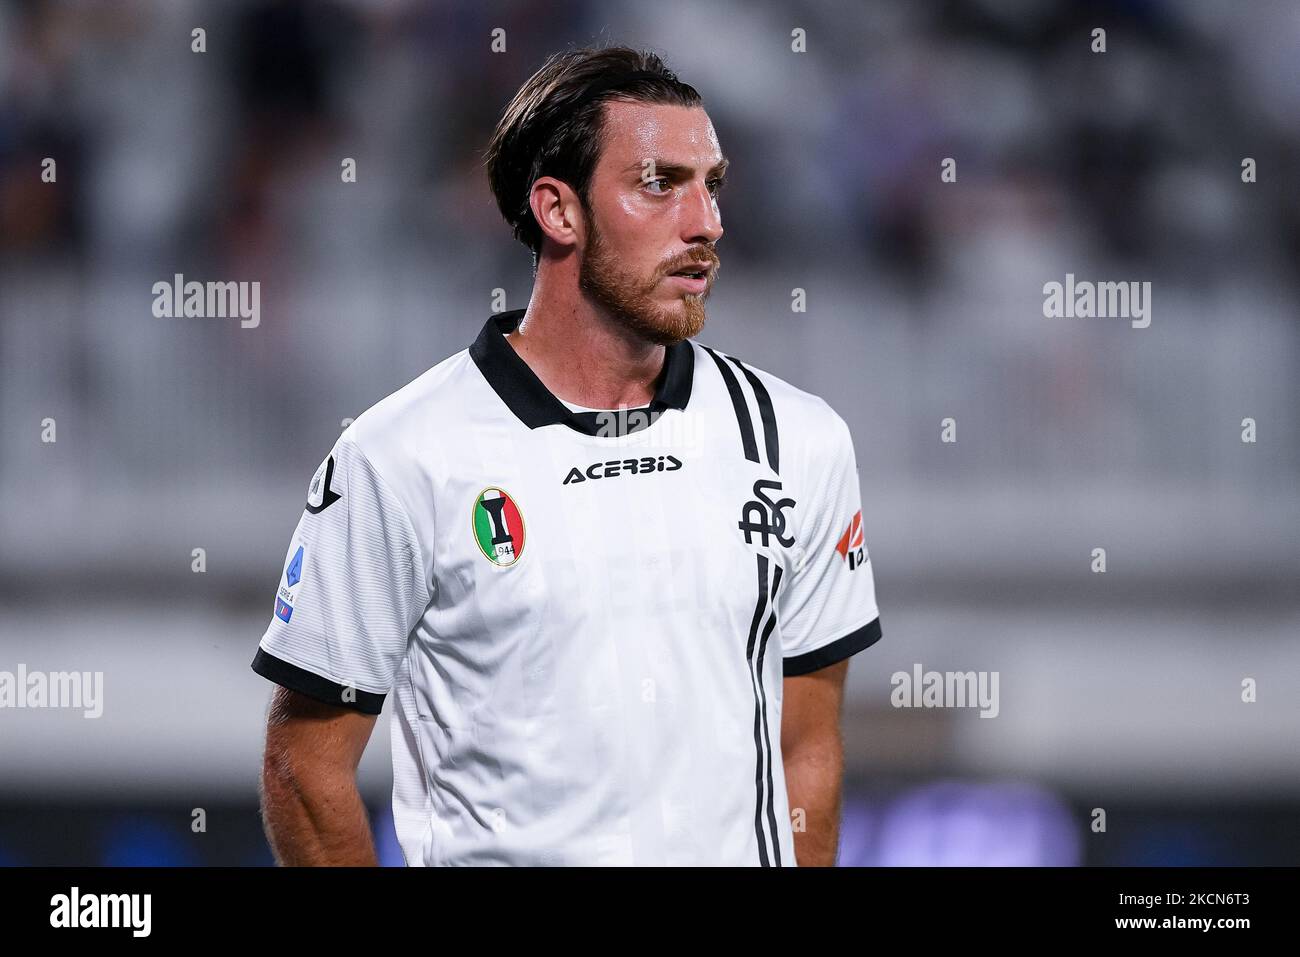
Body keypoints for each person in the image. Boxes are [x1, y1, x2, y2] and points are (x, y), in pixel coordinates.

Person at [252, 45, 882, 866]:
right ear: (558, 211)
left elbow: (808, 747)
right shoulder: (398, 457)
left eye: (712, 184)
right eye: (661, 183)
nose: (706, 224)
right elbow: (303, 767)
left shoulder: (798, 439)